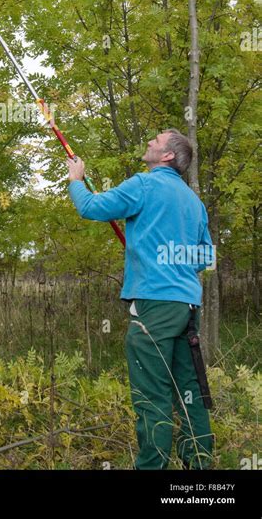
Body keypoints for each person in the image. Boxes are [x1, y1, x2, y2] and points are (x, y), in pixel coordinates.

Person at [67, 128, 215, 470]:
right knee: (189, 392)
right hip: (186, 306)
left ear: (167, 156)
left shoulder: (145, 184)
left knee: (152, 394)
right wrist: (167, 259)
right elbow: (206, 257)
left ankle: (151, 466)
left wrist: (76, 179)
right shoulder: (194, 201)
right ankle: (199, 465)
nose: (149, 141)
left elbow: (91, 207)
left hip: (154, 306)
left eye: (157, 140)